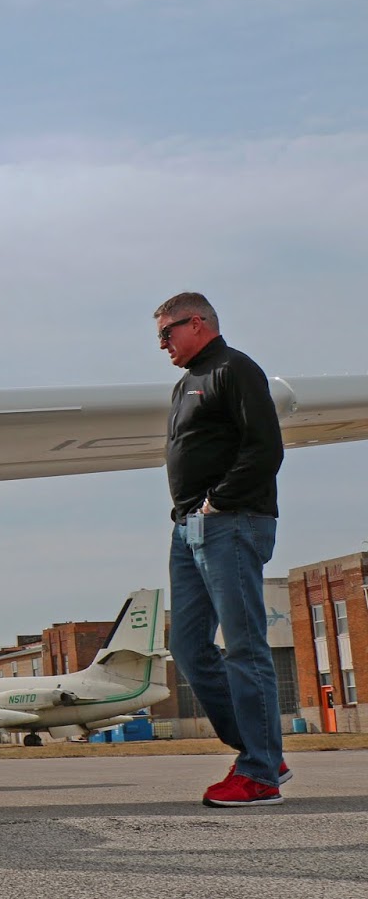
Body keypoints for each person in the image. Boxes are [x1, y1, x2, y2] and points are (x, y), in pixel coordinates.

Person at [155, 292, 290, 807]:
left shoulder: (235, 369)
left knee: (245, 646)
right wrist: (189, 515)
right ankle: (262, 749)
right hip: (188, 528)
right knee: (188, 647)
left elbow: (266, 447)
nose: (162, 345)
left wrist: (218, 503)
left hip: (230, 523)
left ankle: (259, 774)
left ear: (198, 324)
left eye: (167, 333)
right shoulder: (184, 383)